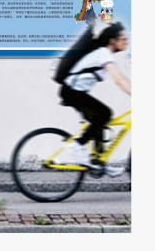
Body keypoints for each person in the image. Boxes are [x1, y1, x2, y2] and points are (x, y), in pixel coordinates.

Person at [55, 22, 130, 175]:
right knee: (105, 114)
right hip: (71, 91)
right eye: (123, 39)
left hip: (74, 91)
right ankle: (77, 145)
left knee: (99, 122)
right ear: (113, 40)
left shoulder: (104, 54)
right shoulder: (103, 54)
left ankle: (99, 163)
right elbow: (119, 80)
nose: (126, 42)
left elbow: (123, 78)